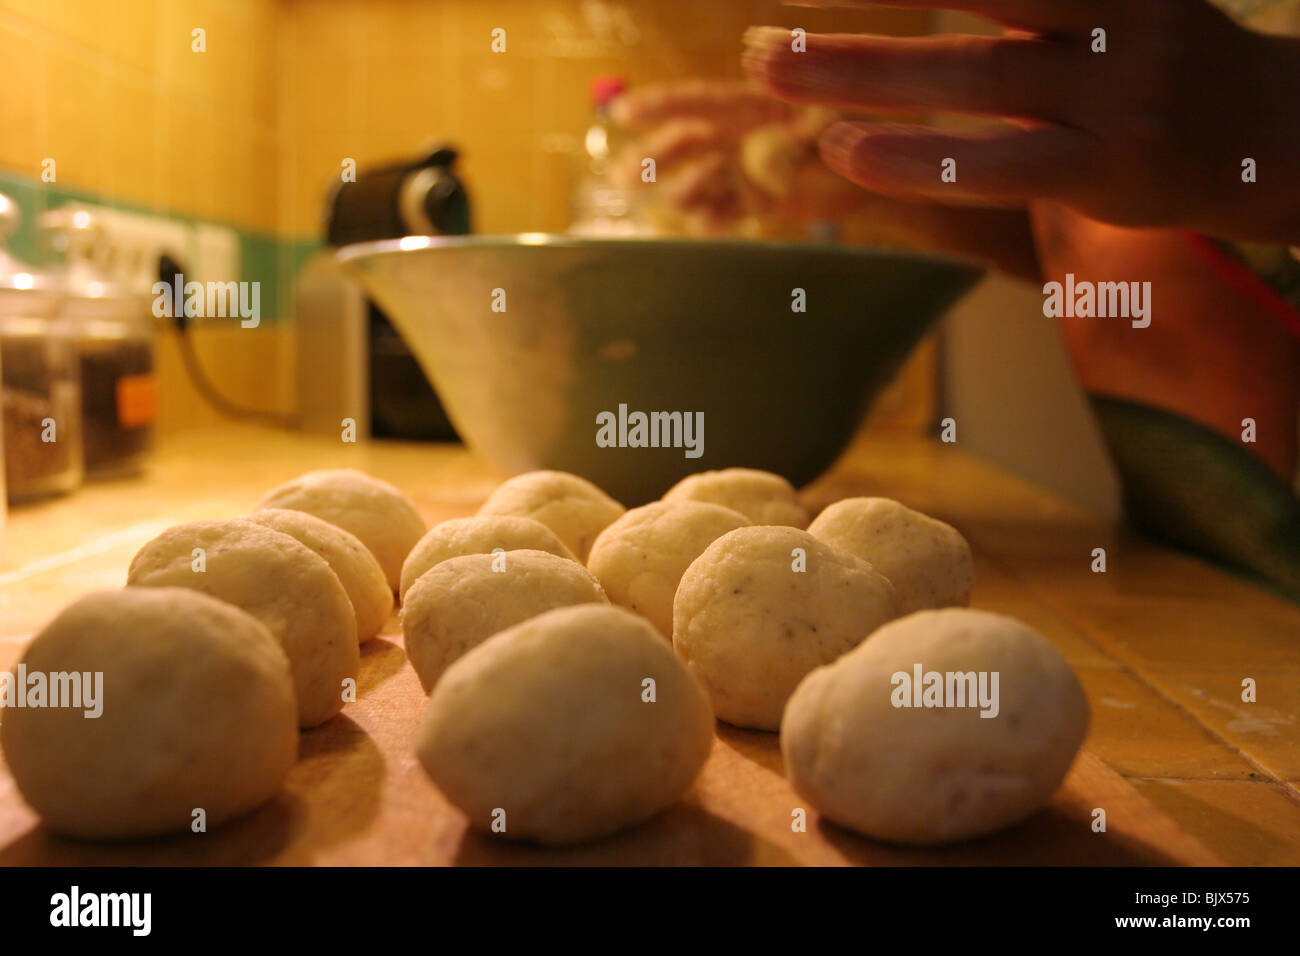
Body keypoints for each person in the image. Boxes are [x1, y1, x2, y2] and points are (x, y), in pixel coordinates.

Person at [611, 0, 1300, 602]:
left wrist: (1275, 117)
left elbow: (1239, 148)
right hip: (1195, 581)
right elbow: (1137, 229)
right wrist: (875, 174)